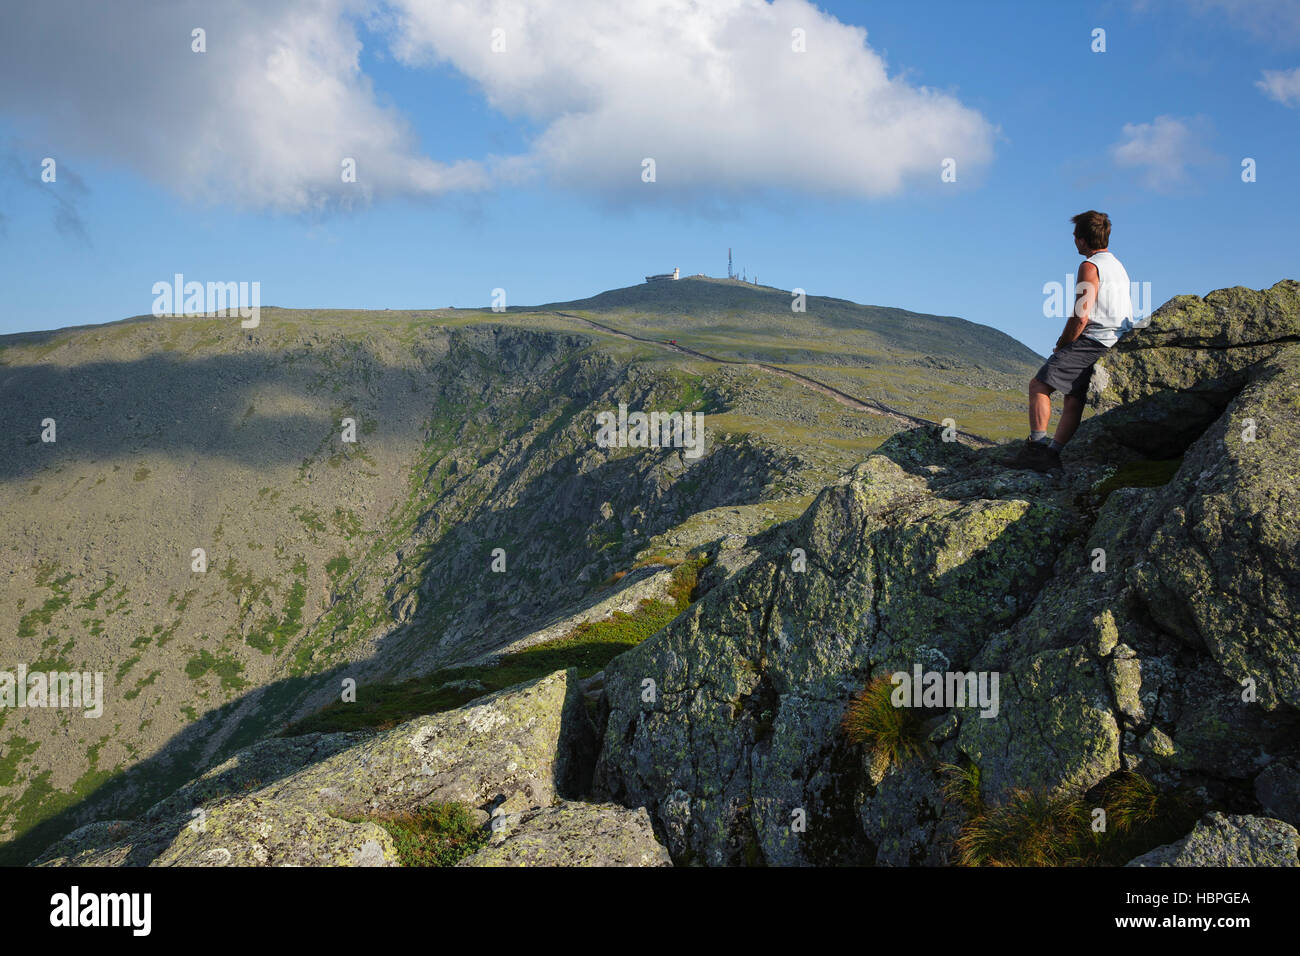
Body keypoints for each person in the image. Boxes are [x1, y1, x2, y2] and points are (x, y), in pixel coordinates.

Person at [1014, 210, 1133, 473]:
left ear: (1081, 240)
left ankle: (1037, 449)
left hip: (1094, 340)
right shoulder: (1118, 266)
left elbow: (1082, 314)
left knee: (1039, 385)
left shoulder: (1090, 266)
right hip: (1115, 341)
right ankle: (1054, 454)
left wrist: (1064, 342)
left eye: (1074, 236)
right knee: (1074, 397)